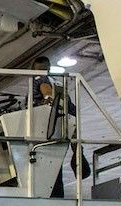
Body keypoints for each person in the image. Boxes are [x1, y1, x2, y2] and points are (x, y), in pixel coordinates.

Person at [31, 56, 90, 198]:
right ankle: (77, 154)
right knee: (56, 166)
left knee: (49, 168)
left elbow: (45, 92)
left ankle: (53, 197)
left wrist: (48, 99)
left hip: (47, 128)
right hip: (63, 123)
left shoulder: (40, 79)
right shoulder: (58, 83)